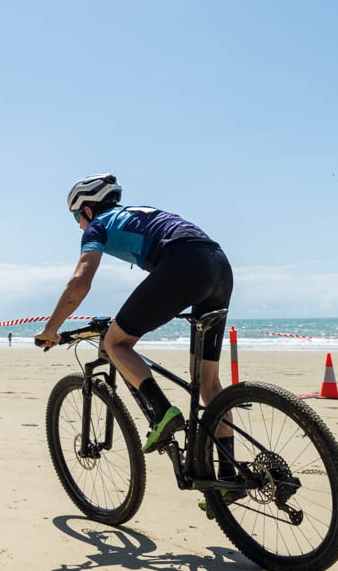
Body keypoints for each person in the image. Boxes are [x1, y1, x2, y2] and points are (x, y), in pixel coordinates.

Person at [35, 174, 234, 460]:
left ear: (88, 210)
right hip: (219, 264)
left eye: (77, 216)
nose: (79, 223)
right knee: (208, 383)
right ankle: (228, 478)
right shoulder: (137, 214)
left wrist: (51, 329)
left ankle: (163, 412)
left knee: (117, 343)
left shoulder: (98, 226)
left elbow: (80, 282)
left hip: (184, 264)